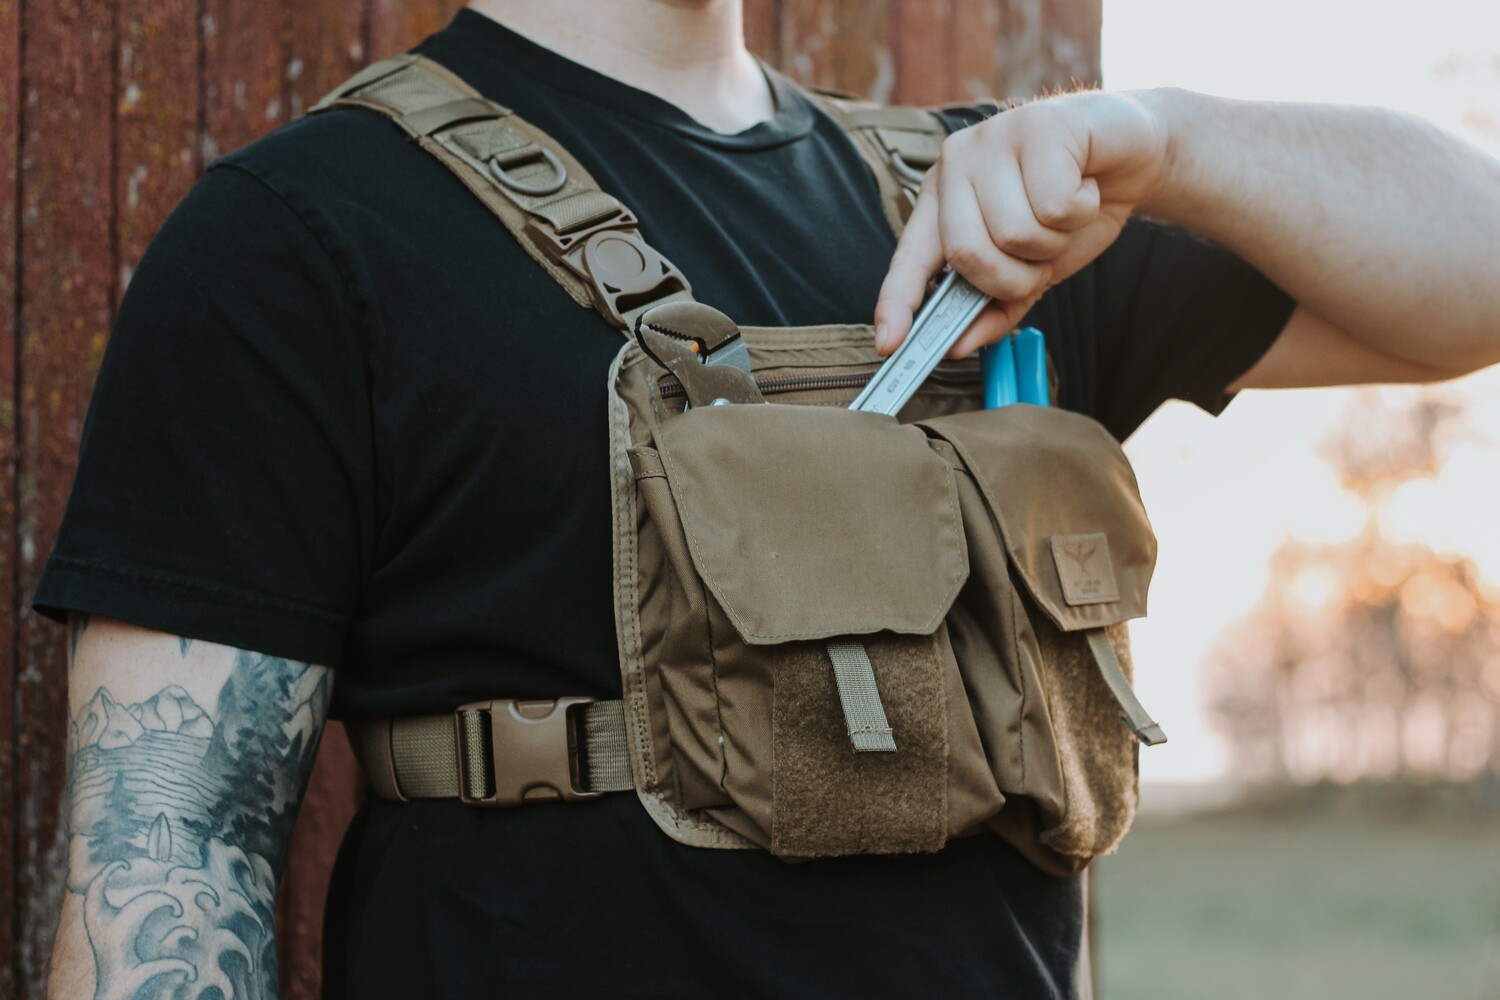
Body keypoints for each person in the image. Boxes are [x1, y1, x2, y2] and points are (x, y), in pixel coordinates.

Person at [37, 1, 1500, 997]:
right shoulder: (302, 239)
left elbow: (1477, 278)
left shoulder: (995, 212)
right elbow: (171, 851)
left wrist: (1168, 141)